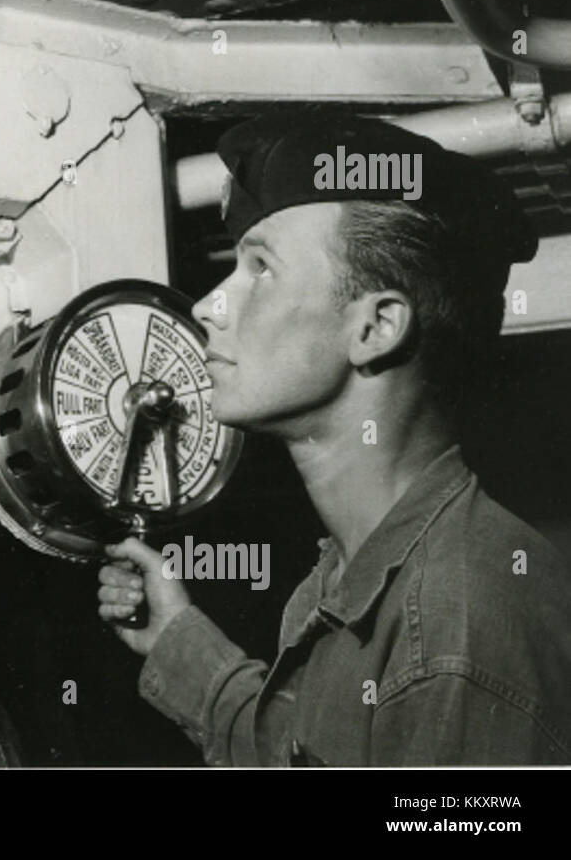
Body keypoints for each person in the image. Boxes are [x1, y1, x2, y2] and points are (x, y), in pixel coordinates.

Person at [98, 111, 571, 765]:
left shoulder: (453, 637)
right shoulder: (354, 578)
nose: (209, 305)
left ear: (375, 328)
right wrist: (176, 638)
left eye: (260, 269)